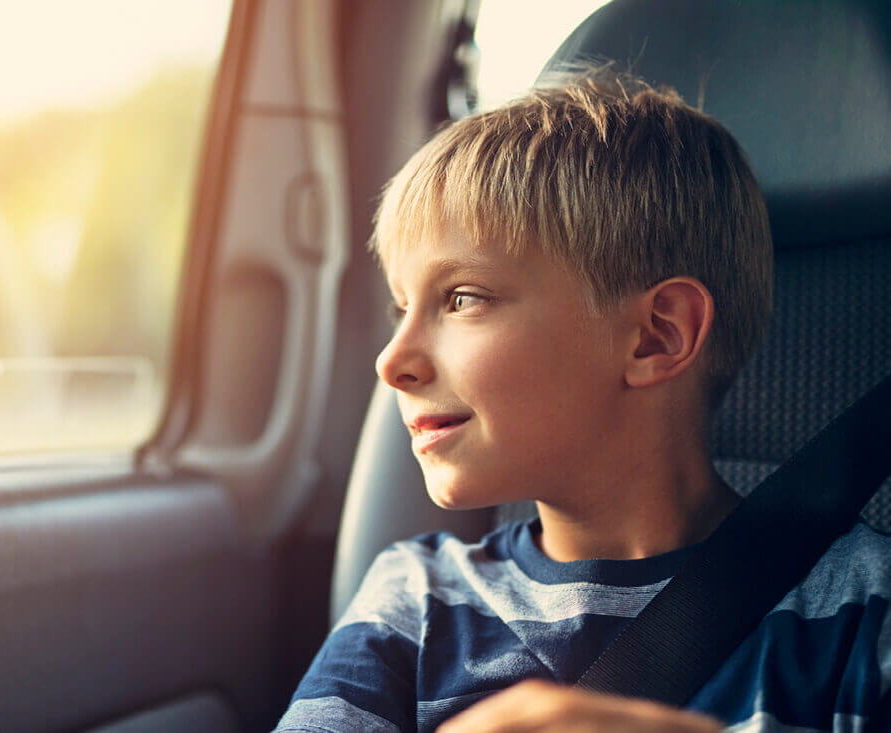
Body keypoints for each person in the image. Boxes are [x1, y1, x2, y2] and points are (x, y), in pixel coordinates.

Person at [274, 66, 891, 732]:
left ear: (655, 337)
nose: (390, 361)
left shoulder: (860, 608)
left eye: (461, 298)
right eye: (402, 307)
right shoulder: (415, 602)